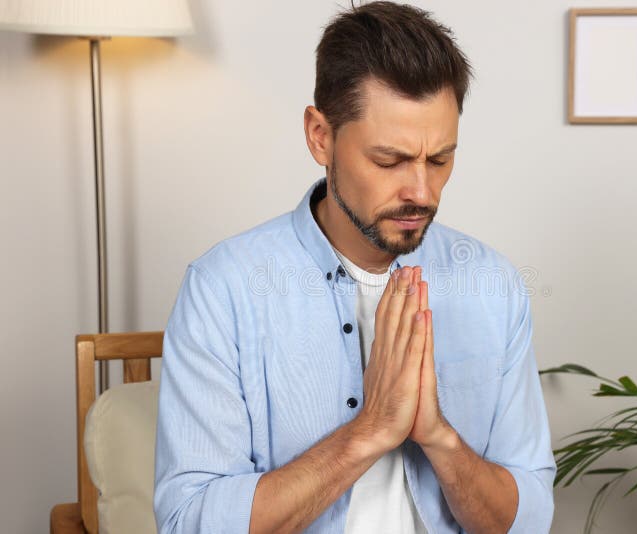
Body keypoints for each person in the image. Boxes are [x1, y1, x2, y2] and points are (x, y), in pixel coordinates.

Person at [153, 2, 556, 533]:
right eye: (388, 161)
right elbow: (188, 522)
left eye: (440, 159)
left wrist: (438, 437)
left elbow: (528, 519)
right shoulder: (224, 289)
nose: (422, 191)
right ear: (321, 136)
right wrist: (368, 432)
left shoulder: (493, 285)